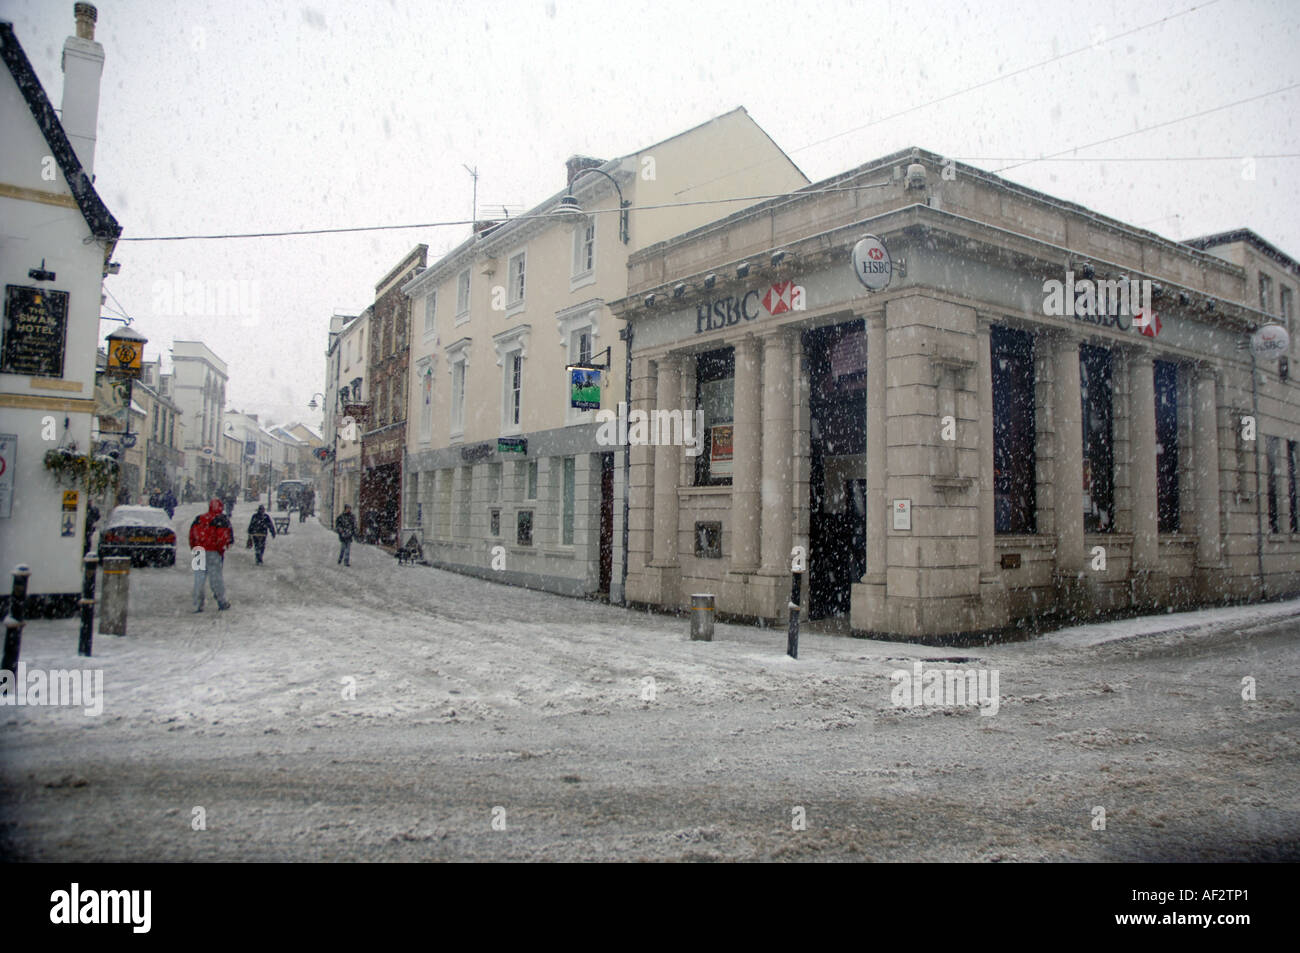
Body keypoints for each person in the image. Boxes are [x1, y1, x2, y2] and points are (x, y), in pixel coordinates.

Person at [189, 498, 233, 612]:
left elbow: (192, 536)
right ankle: (221, 601)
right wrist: (220, 550)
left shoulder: (199, 519)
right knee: (216, 578)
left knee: (198, 578)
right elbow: (222, 538)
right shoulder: (221, 519)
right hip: (213, 551)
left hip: (198, 550)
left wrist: (195, 547)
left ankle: (197, 603)